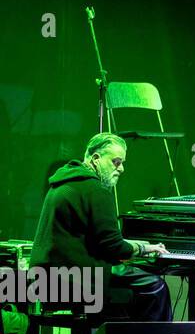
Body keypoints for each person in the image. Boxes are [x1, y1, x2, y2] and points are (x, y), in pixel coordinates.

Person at [30, 133, 171, 321]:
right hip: (76, 281)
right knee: (155, 286)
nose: (121, 169)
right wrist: (144, 249)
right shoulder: (95, 189)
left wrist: (134, 244)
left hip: (48, 279)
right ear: (96, 159)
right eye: (116, 162)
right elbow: (114, 248)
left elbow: (93, 240)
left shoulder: (63, 182)